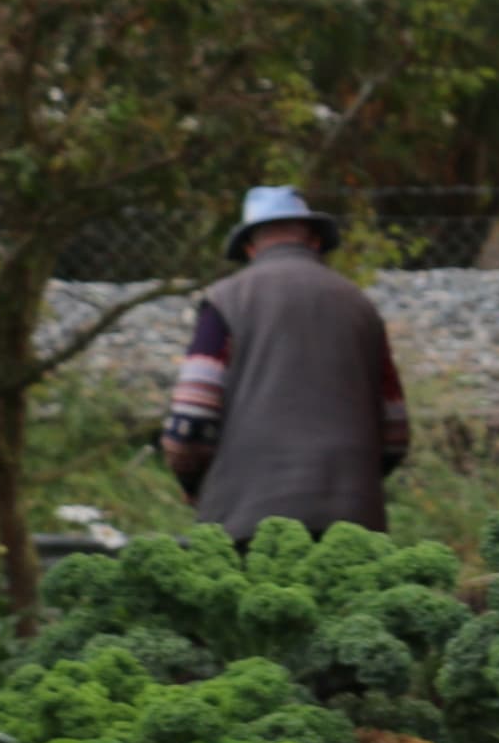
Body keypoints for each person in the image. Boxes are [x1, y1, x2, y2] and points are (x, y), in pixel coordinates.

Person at [162, 186, 409, 537]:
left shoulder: (226, 300)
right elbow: (396, 431)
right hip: (353, 527)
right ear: (315, 242)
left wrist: (193, 483)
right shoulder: (361, 307)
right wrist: (352, 484)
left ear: (250, 248)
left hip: (245, 523)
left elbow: (190, 420)